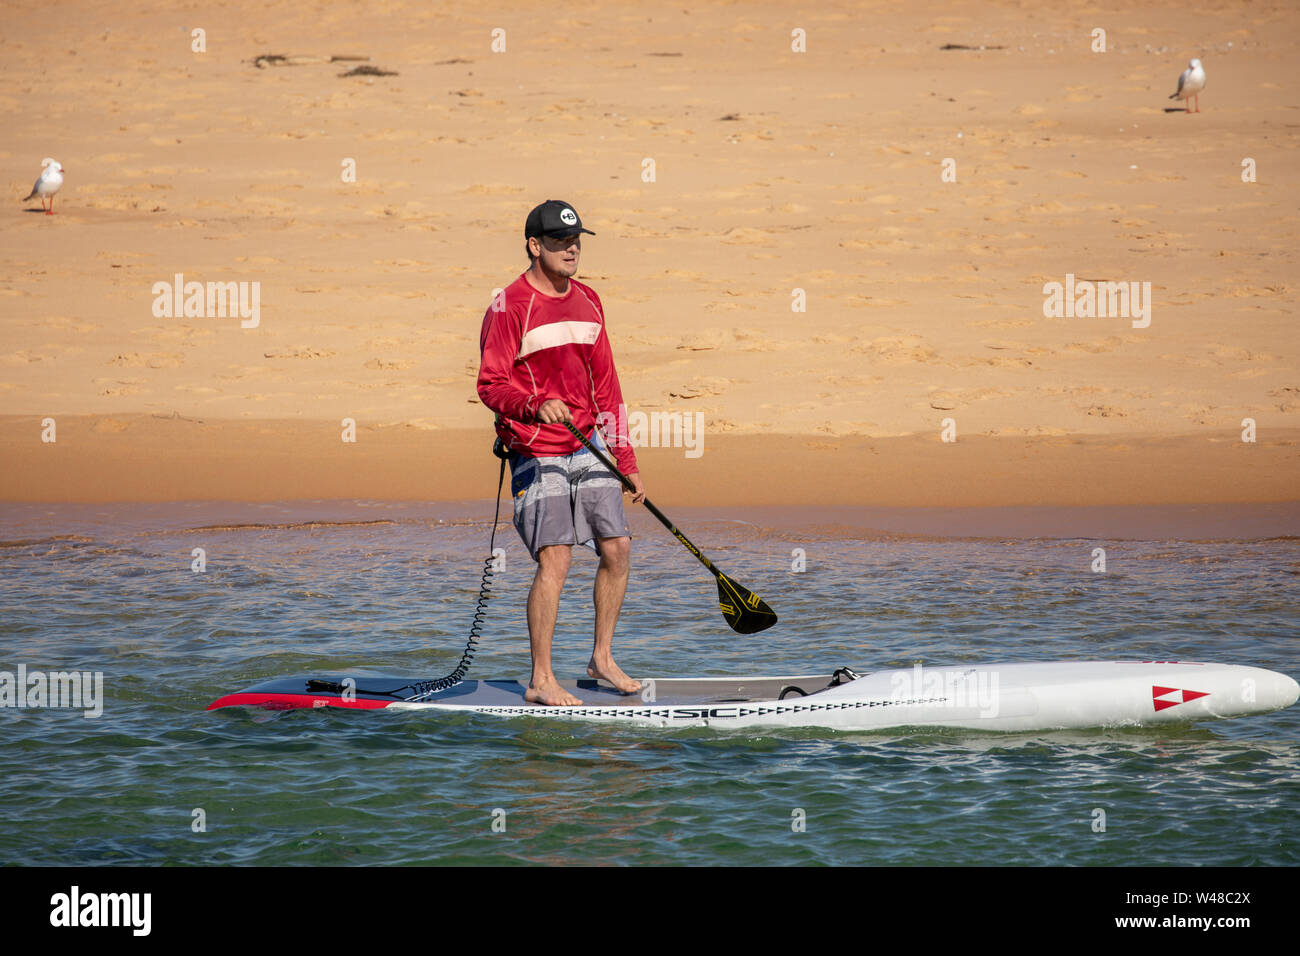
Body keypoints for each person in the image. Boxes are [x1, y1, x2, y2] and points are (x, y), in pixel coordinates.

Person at [476, 199, 645, 706]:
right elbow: (489, 385)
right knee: (557, 557)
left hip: (589, 443)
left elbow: (609, 388)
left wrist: (627, 462)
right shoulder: (509, 306)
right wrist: (532, 405)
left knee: (617, 549)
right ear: (534, 246)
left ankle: (601, 658)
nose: (571, 249)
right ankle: (542, 679)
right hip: (534, 447)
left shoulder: (590, 301)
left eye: (576, 241)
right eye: (558, 242)